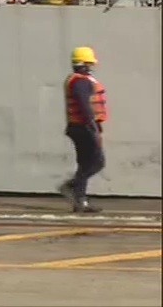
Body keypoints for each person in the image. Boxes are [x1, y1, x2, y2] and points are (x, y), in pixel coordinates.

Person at [58, 46, 107, 213]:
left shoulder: (77, 80)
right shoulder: (81, 81)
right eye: (89, 64)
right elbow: (84, 104)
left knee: (88, 163)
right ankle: (76, 192)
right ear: (84, 64)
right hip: (83, 127)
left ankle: (77, 195)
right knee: (95, 162)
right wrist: (91, 125)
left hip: (81, 126)